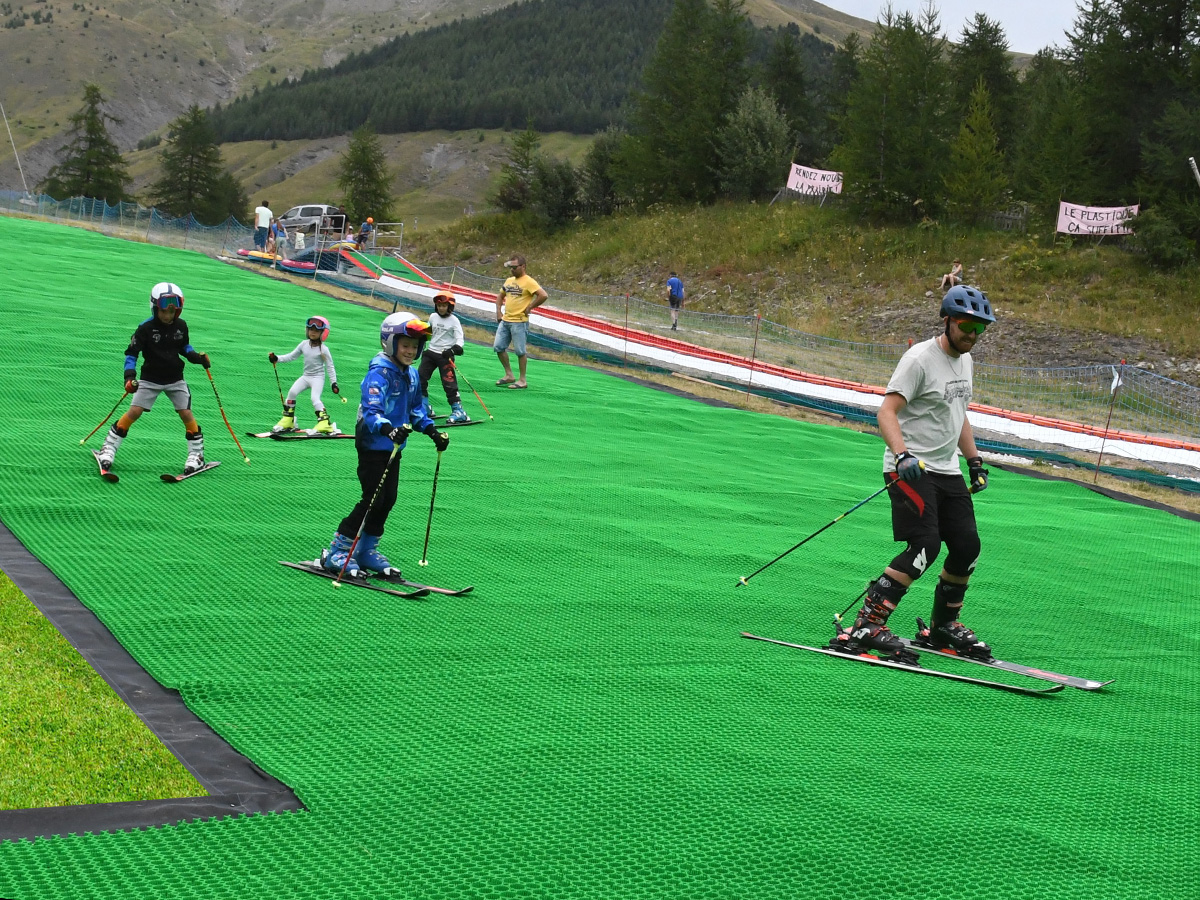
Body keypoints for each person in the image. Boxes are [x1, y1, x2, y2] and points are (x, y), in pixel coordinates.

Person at [834, 284, 996, 661]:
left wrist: (974, 461)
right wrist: (902, 454)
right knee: (925, 546)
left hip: (948, 470)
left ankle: (943, 626)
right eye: (966, 326)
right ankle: (867, 624)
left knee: (967, 547)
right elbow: (886, 412)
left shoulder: (966, 361)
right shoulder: (919, 359)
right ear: (947, 321)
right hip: (910, 469)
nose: (972, 335)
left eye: (980, 329)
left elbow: (958, 416)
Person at [321, 313, 451, 577]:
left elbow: (416, 411)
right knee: (372, 499)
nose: (410, 351)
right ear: (389, 343)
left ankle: (366, 549)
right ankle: (338, 551)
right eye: (405, 345)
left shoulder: (412, 375)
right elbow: (371, 412)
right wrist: (388, 430)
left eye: (415, 347)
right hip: (372, 444)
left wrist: (432, 432)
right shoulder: (379, 373)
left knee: (388, 499)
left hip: (394, 447)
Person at [96, 283, 212, 476]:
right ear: (155, 308)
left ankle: (197, 456)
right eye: (164, 311)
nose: (168, 316)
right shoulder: (145, 328)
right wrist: (129, 377)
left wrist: (198, 359)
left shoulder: (181, 326)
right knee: (134, 411)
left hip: (175, 379)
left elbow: (185, 347)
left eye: (173, 312)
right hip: (150, 379)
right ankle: (108, 448)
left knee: (186, 413)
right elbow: (131, 354)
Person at [268, 316, 340, 434]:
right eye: (311, 329)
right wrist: (277, 359)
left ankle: (325, 424)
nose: (313, 332)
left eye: (316, 331)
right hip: (306, 377)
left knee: (315, 398)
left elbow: (330, 367)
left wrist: (333, 383)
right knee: (292, 393)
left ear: (323, 333)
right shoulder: (303, 344)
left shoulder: (324, 350)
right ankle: (289, 420)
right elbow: (291, 356)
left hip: (317, 378)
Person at [494, 254, 547, 389]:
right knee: (498, 347)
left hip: (519, 321)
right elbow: (500, 296)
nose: (512, 270)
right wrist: (499, 312)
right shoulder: (509, 281)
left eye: (514, 267)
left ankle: (522, 380)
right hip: (506, 320)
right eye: (510, 267)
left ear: (523, 267)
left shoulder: (529, 281)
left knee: (520, 351)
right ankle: (509, 374)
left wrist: (530, 307)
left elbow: (543, 295)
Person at [419, 291, 469, 423]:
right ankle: (424, 407)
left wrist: (452, 351)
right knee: (420, 379)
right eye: (439, 305)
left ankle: (459, 411)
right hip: (430, 353)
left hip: (444, 356)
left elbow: (460, 342)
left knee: (449, 384)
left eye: (444, 305)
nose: (441, 308)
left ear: (450, 306)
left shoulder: (454, 321)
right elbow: (428, 334)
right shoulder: (433, 317)